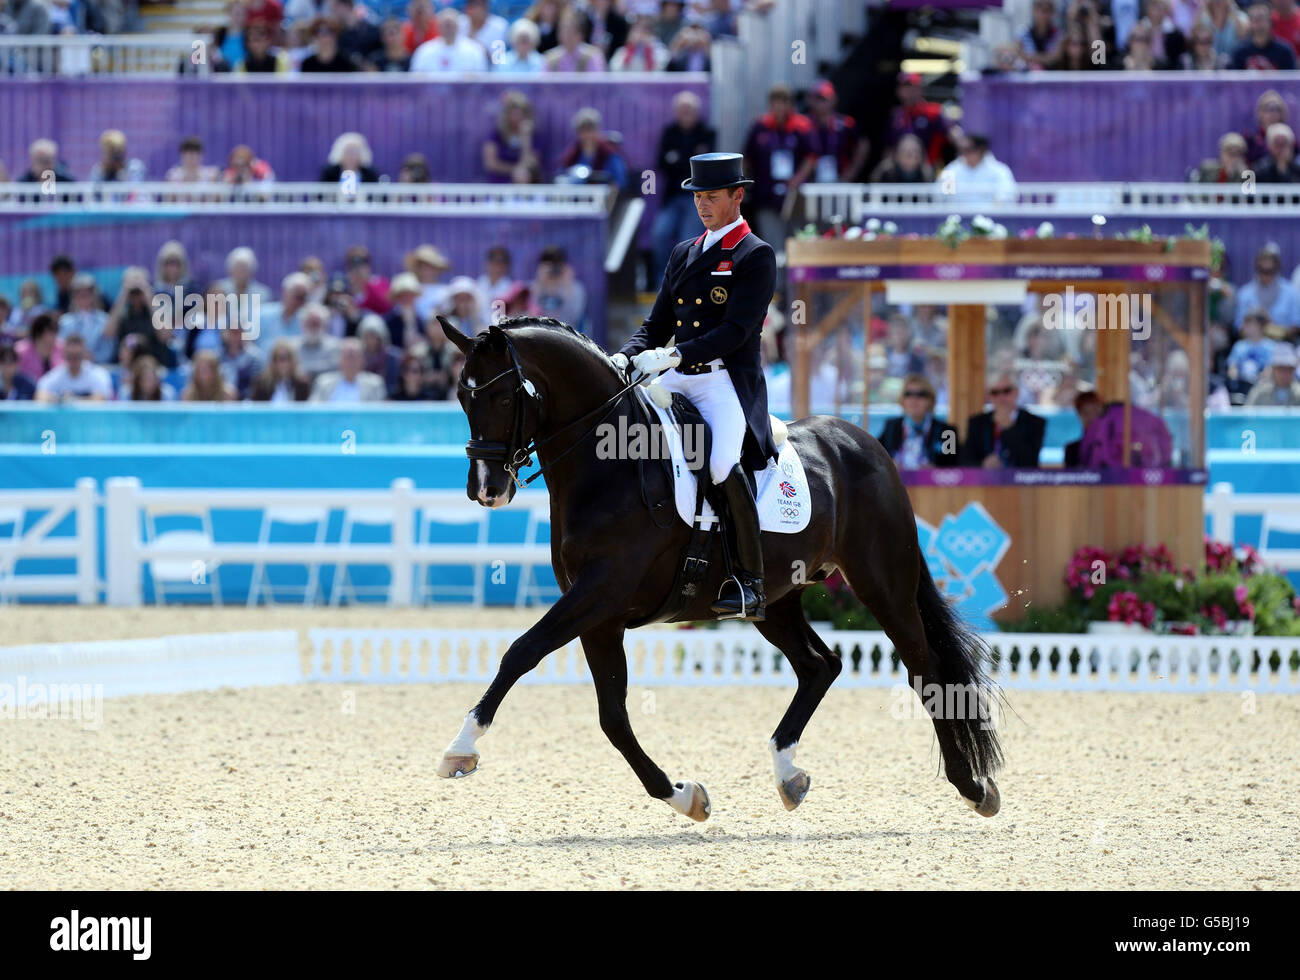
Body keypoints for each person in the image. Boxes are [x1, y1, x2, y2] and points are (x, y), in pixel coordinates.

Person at [613, 151, 778, 620]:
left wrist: (676, 353)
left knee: (722, 464)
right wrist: (626, 354)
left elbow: (737, 330)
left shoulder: (755, 255)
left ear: (737, 196)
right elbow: (657, 321)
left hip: (722, 381)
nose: (702, 205)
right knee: (623, 436)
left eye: (711, 196)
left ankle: (750, 582)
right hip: (675, 377)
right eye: (698, 197)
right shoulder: (684, 251)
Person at [742, 84, 818, 254]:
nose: (779, 107)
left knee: (796, 242)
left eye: (783, 102)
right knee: (771, 244)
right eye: (775, 102)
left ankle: (793, 281)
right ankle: (776, 280)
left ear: (790, 104)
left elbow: (812, 156)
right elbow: (747, 158)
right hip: (766, 194)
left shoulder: (802, 126)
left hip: (794, 195)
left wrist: (798, 179)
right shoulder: (760, 126)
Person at [651, 91, 716, 284]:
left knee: (689, 240)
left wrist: (678, 159)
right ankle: (663, 283)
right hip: (671, 198)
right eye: (682, 110)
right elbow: (662, 164)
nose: (685, 114)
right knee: (659, 234)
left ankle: (688, 284)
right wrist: (688, 159)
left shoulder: (707, 132)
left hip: (697, 198)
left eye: (689, 110)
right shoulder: (669, 132)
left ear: (697, 112)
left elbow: (706, 166)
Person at [1068, 390, 1173, 467]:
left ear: (1103, 410)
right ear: (1079, 416)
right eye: (1086, 413)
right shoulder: (1073, 451)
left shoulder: (1120, 439)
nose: (1092, 417)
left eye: (1095, 410)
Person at [961, 373, 1046, 468]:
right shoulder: (977, 422)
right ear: (989, 396)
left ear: (1016, 392)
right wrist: (983, 464)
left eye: (1006, 391)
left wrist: (1009, 428)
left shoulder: (1035, 422)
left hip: (1020, 481)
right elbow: (965, 460)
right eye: (995, 393)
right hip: (985, 481)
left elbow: (1031, 461)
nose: (1001, 397)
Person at [878, 374, 959, 469]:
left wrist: (935, 470)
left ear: (930, 400)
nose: (914, 399)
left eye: (920, 394)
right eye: (908, 394)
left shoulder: (948, 432)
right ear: (902, 400)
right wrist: (890, 466)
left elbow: (955, 467)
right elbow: (875, 456)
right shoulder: (891, 426)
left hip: (932, 483)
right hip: (896, 482)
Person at [806, 80, 868, 184]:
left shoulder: (846, 123)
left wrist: (851, 172)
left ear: (833, 99)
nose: (820, 103)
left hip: (839, 181)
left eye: (824, 99)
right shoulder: (804, 124)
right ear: (811, 100)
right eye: (817, 99)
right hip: (811, 182)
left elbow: (863, 146)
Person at [937, 133, 1017, 204]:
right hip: (958, 217)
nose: (964, 154)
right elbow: (941, 196)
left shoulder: (999, 171)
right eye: (962, 150)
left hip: (989, 218)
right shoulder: (952, 170)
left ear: (980, 151)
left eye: (968, 150)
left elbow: (1007, 195)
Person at [33, 334, 113, 403]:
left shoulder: (98, 374)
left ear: (84, 353)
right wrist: (59, 400)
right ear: (64, 354)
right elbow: (39, 395)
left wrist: (72, 400)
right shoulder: (56, 374)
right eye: (70, 356)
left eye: (77, 356)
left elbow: (101, 398)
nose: (74, 359)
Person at [1235, 248, 1300, 330]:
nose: (1266, 275)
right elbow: (1238, 326)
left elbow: (1297, 324)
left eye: (1270, 271)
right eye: (1262, 270)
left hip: (1284, 341)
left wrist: (1280, 332)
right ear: (1257, 270)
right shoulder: (1245, 294)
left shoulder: (1291, 293)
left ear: (1277, 270)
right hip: (1252, 341)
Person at [411, 8, 490, 71]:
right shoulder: (425, 51)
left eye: (451, 24)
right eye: (445, 24)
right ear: (438, 26)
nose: (448, 28)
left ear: (458, 26)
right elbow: (417, 79)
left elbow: (481, 79)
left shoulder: (474, 50)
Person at [309, 337, 387, 401]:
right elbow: (313, 411)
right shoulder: (323, 383)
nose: (351, 361)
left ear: (362, 360)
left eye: (354, 356)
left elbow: (379, 415)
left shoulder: (375, 384)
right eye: (348, 356)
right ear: (340, 359)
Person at [531, 245, 587, 332]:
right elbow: (529, 316)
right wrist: (540, 284)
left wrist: (567, 285)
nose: (552, 266)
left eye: (556, 262)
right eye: (548, 261)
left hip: (565, 337)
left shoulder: (576, 288)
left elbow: (575, 316)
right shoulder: (531, 288)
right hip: (539, 335)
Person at [1230, 2, 1298, 67]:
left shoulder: (1285, 51)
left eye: (1261, 18)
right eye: (1254, 18)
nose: (1258, 22)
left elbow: (1291, 77)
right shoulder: (1239, 52)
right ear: (1249, 23)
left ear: (1271, 21)